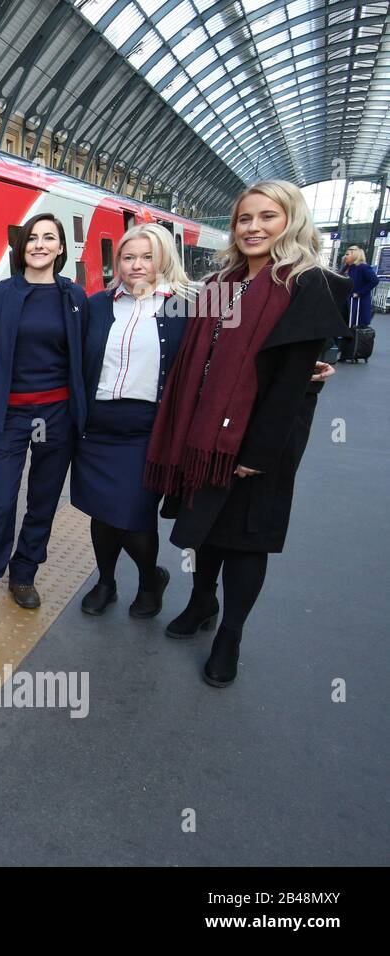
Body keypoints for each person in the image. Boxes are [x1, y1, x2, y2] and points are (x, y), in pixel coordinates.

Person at [144, 180, 352, 687]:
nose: (254, 227)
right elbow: (202, 355)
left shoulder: (310, 285)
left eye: (267, 217)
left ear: (291, 221)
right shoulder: (222, 281)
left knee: (246, 539)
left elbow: (290, 379)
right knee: (207, 529)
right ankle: (200, 602)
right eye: (244, 219)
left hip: (263, 437)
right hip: (205, 434)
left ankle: (230, 634)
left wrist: (256, 450)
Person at [0, 213, 88, 628]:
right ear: (22, 247)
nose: (39, 244)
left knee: (44, 501)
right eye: (32, 238)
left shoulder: (75, 298)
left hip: (58, 414)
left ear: (61, 248)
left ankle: (24, 573)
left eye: (48, 238)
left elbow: (84, 359)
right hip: (9, 414)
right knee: (1, 501)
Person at [73, 224, 193, 618]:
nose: (136, 265)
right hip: (97, 428)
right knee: (102, 513)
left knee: (134, 515)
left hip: (148, 430)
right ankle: (106, 581)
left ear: (163, 259)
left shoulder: (184, 307)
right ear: (117, 263)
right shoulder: (97, 305)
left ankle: (148, 577)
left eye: (147, 257)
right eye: (128, 257)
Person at [341, 246, 380, 328]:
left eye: (347, 254)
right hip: (346, 300)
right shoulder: (347, 267)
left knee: (354, 327)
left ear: (355, 255)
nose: (345, 256)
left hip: (357, 302)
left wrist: (359, 293)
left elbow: (374, 281)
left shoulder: (363, 267)